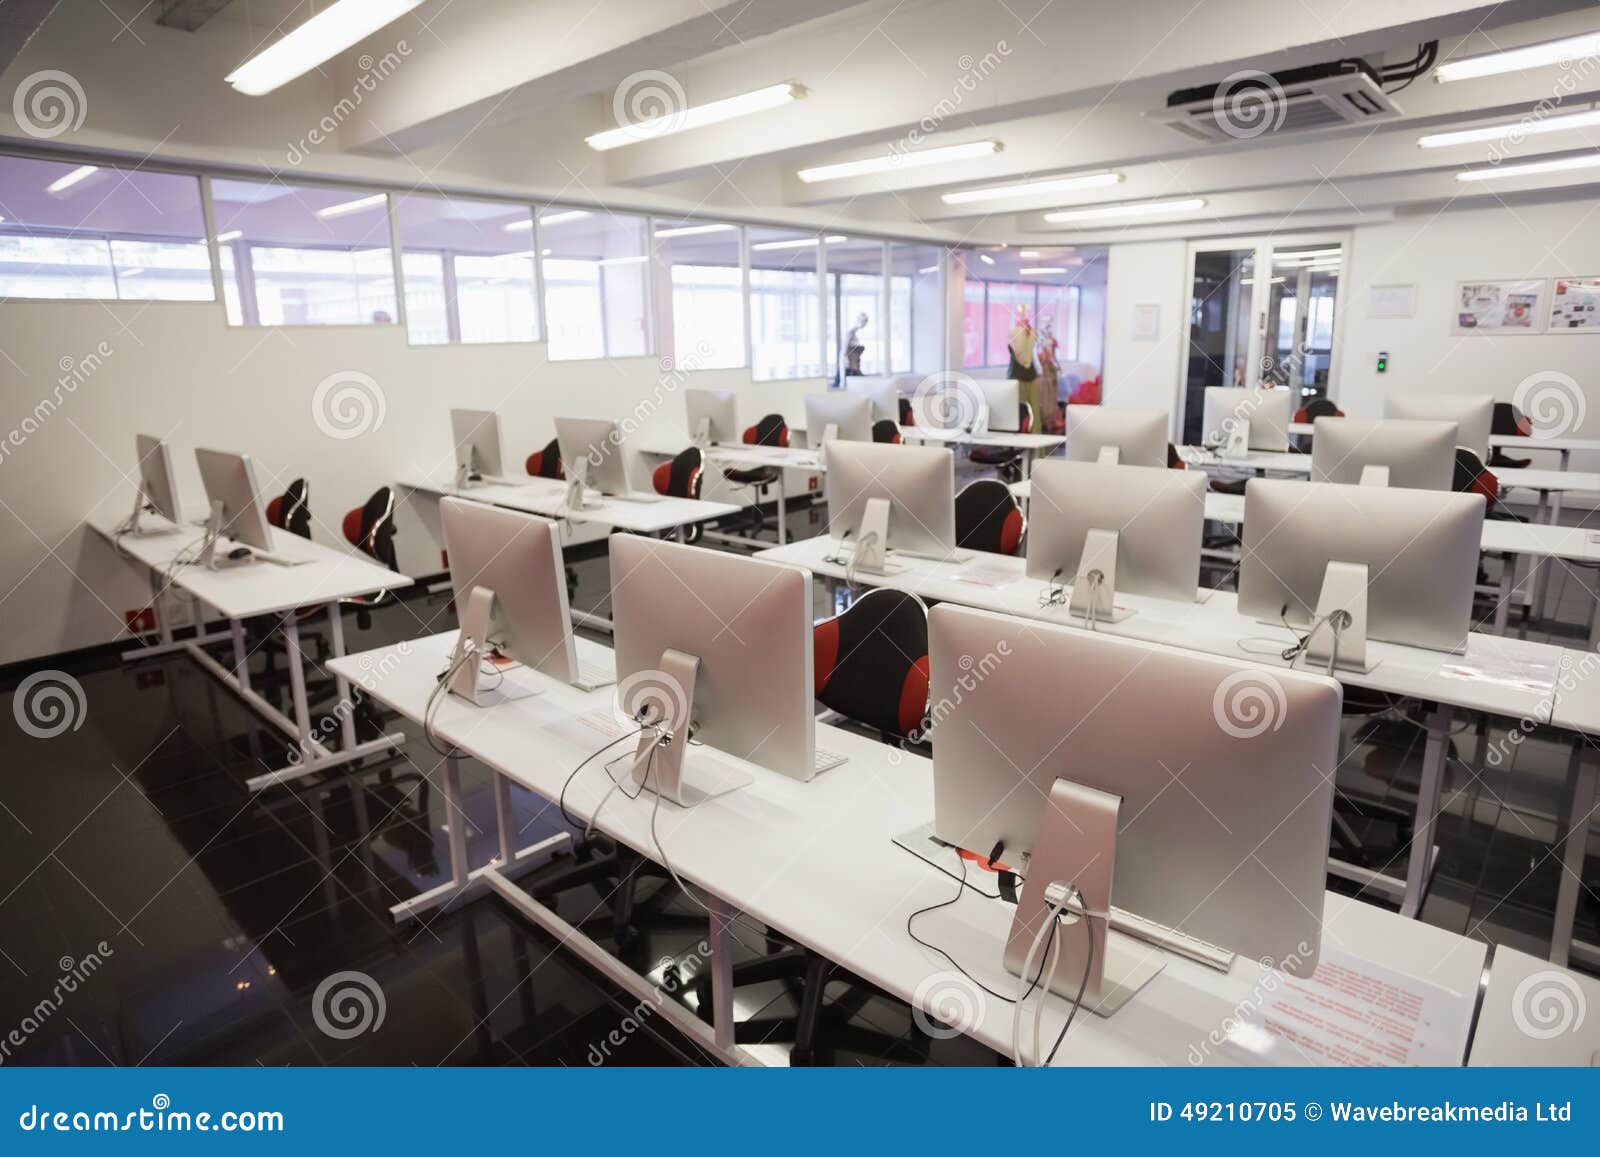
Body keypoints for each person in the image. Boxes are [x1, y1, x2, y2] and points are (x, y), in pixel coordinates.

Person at [1034, 318, 1061, 433]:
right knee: (1044, 396)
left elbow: (1053, 355)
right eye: (1046, 324)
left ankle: (1050, 420)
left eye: (1050, 325)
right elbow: (1038, 355)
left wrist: (1057, 365)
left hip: (1051, 369)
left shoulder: (1051, 339)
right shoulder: (1039, 339)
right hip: (1043, 371)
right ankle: (1045, 420)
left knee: (1052, 396)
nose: (1048, 327)